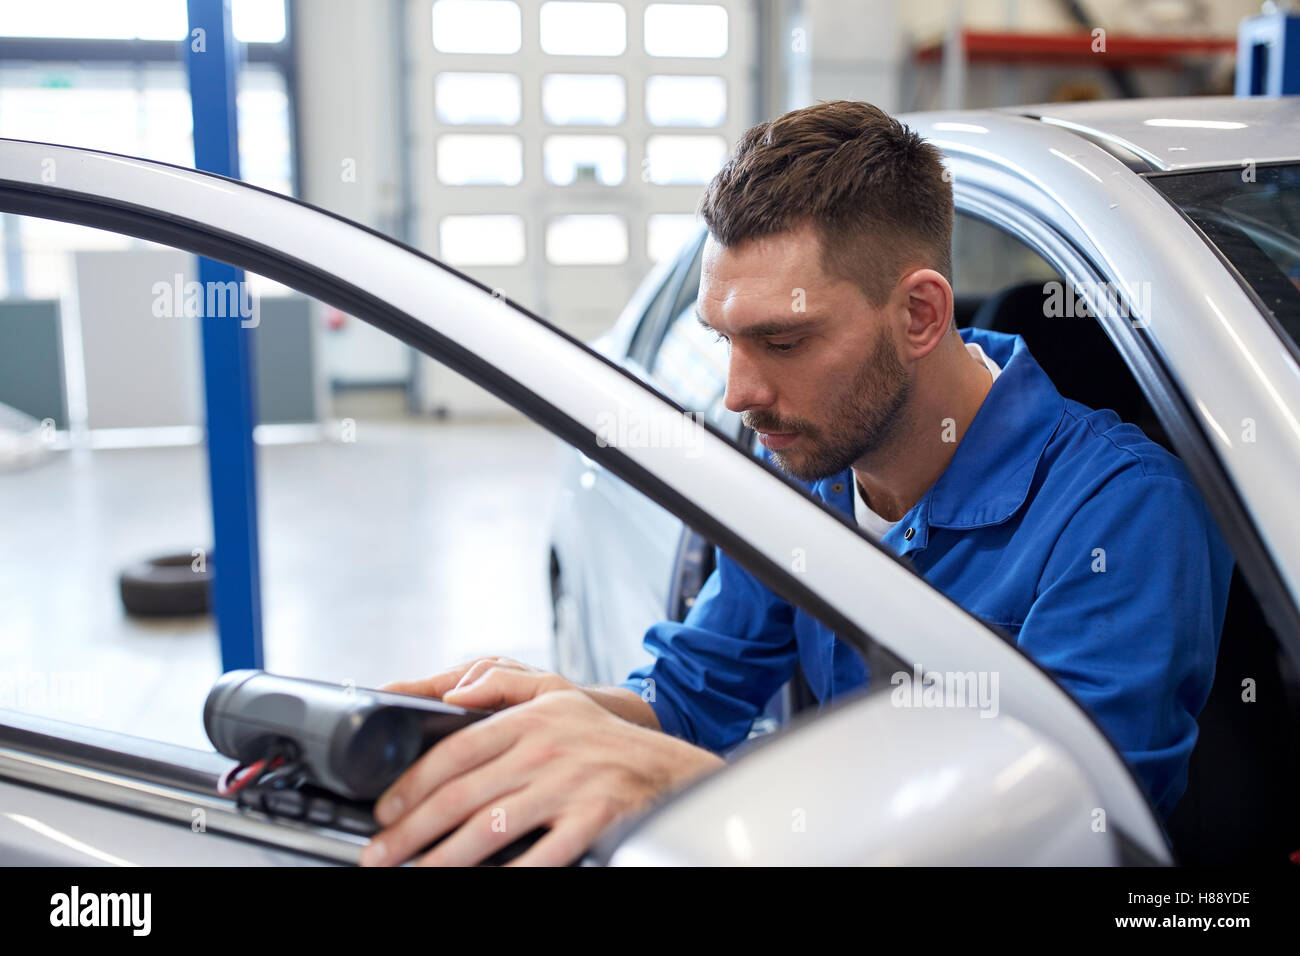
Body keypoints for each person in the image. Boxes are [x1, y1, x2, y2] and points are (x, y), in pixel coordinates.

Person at [358, 100, 1234, 867]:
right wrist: (566, 711)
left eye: (782, 342)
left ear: (921, 314)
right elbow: (696, 692)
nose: (738, 396)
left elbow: (1072, 834)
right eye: (722, 339)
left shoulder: (1120, 514)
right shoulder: (803, 477)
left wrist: (681, 783)